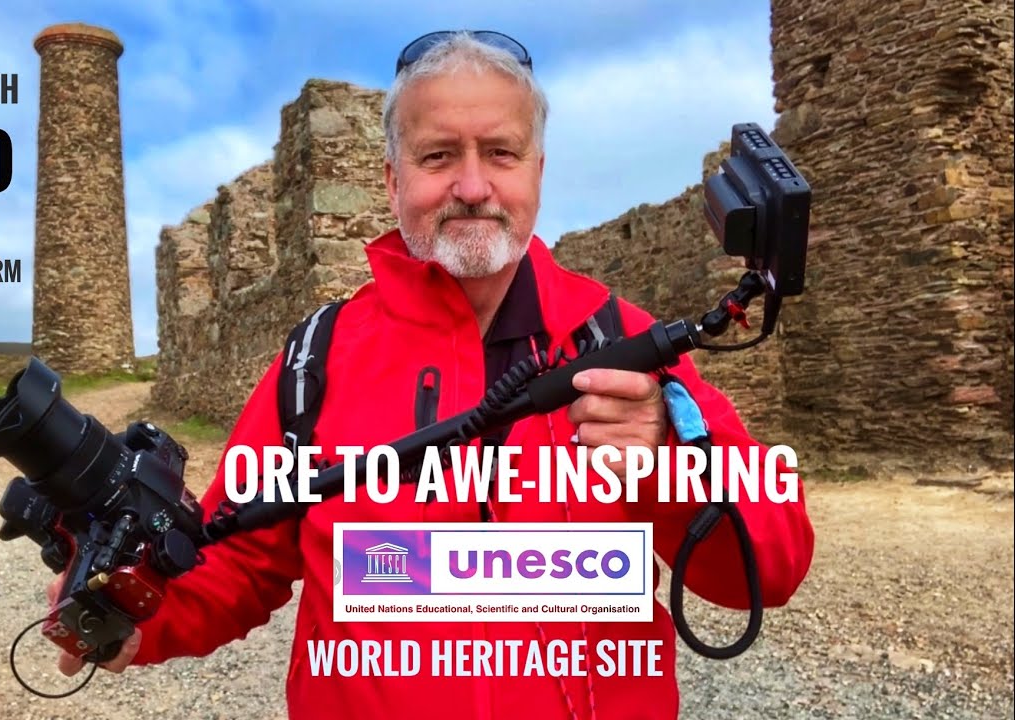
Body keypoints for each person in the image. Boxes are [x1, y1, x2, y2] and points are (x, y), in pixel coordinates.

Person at [50, 30, 815, 720]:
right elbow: (241, 558)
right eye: (439, 155)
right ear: (391, 179)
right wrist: (135, 619)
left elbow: (770, 568)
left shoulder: (627, 344)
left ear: (538, 172)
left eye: (501, 153)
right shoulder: (315, 361)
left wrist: (670, 469)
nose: (473, 186)